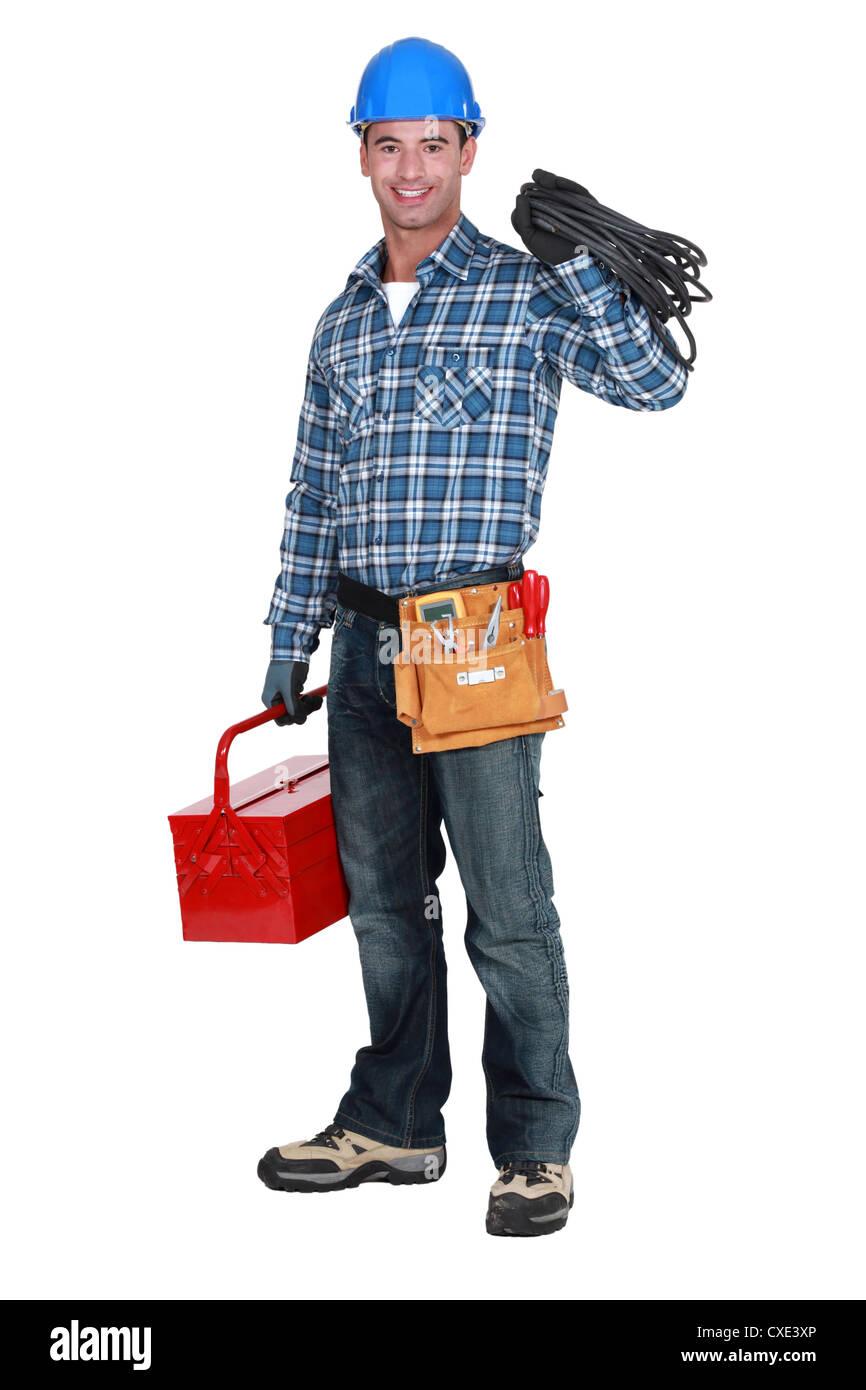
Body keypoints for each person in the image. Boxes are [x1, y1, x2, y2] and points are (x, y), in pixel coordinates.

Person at [256, 36, 687, 1237]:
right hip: (359, 641)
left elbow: (655, 385)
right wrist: (290, 636)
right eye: (386, 145)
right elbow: (309, 491)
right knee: (386, 902)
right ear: (361, 155)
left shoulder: (524, 292)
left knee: (508, 904)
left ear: (466, 151)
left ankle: (536, 1147)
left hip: (475, 637)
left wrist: (586, 269)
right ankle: (394, 1121)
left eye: (431, 145)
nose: (408, 169)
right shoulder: (338, 322)